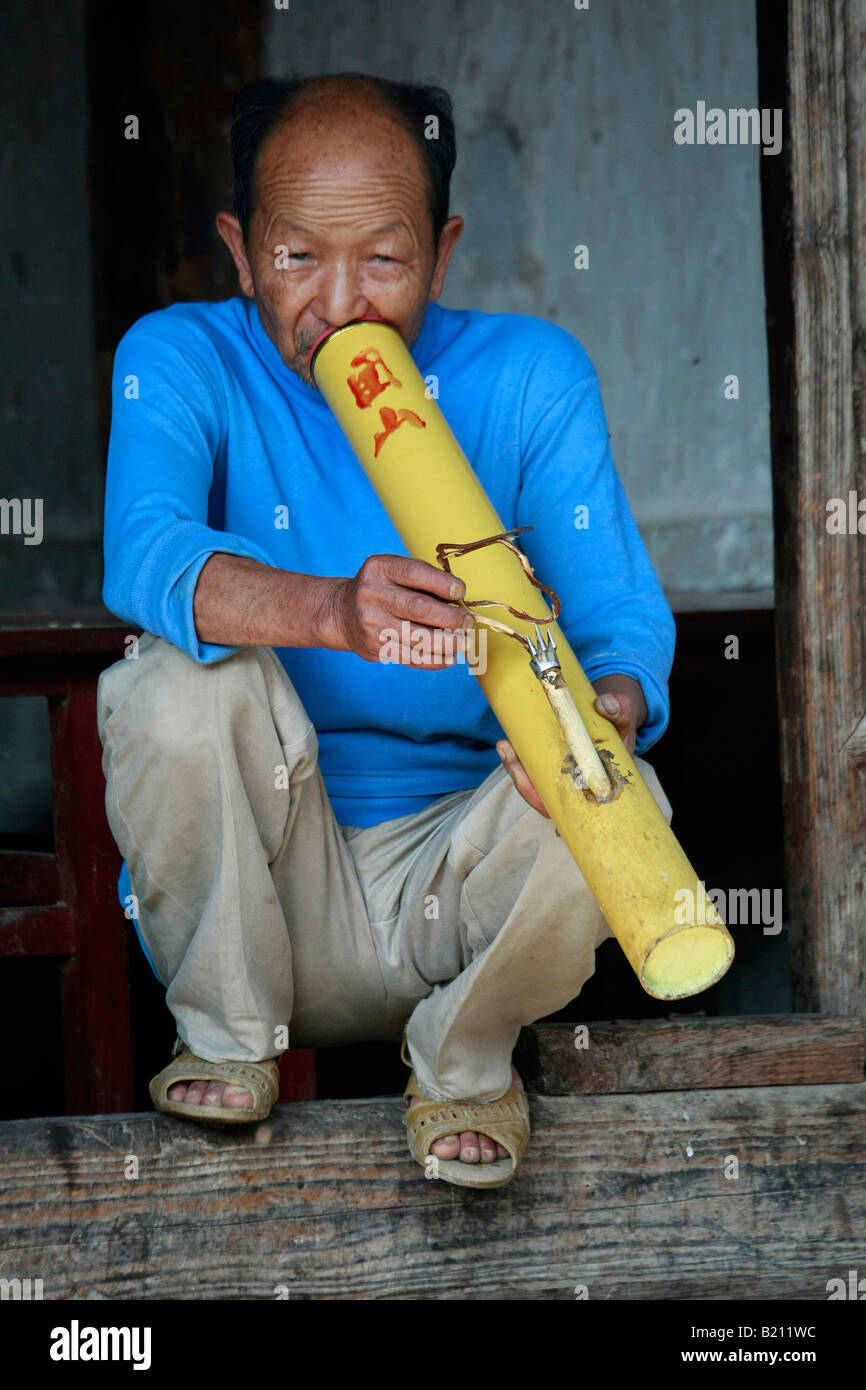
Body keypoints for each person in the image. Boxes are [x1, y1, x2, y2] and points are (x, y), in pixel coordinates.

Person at [97, 71, 675, 1188]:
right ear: (237, 247)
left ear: (444, 252)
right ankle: (225, 1031)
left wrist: (595, 711)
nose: (342, 303)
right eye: (296, 257)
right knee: (167, 685)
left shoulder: (527, 375)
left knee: (625, 795)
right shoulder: (180, 359)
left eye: (385, 259)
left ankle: (463, 1058)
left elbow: (618, 620)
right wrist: (329, 609)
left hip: (461, 882)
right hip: (261, 879)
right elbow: (146, 550)